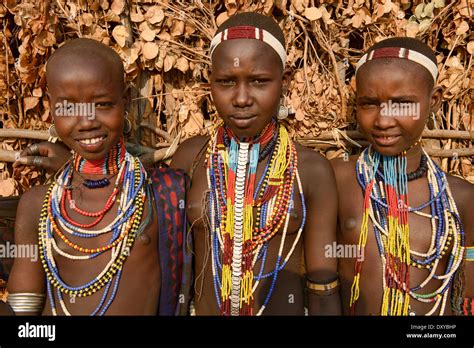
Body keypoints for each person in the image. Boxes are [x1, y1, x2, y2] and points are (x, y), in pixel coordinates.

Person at [1, 38, 191, 316]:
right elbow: (23, 316)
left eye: (102, 104)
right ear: (52, 107)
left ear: (124, 101)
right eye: (69, 108)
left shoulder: (161, 194)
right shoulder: (39, 205)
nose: (87, 121)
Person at [171, 12, 340, 315]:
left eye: (259, 81)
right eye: (226, 82)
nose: (241, 98)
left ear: (284, 81)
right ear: (211, 82)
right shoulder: (191, 158)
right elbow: (176, 275)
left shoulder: (311, 171)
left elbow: (323, 289)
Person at [331, 37, 473, 315]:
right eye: (369, 103)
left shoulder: (462, 199)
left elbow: (466, 298)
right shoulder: (337, 180)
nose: (384, 120)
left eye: (402, 104)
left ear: (433, 101)